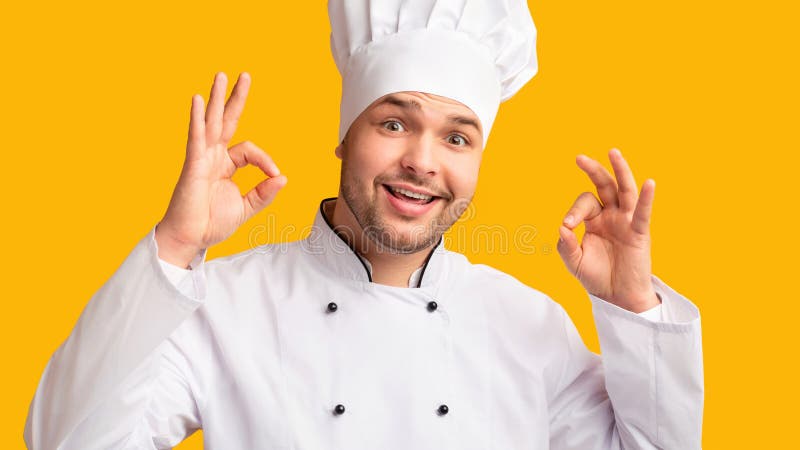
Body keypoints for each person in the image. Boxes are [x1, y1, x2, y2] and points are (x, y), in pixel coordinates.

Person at [24, 1, 704, 449]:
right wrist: (175, 248)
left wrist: (632, 308)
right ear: (346, 137)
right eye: (394, 122)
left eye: (457, 139)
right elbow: (65, 440)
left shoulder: (529, 325)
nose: (422, 162)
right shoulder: (221, 307)